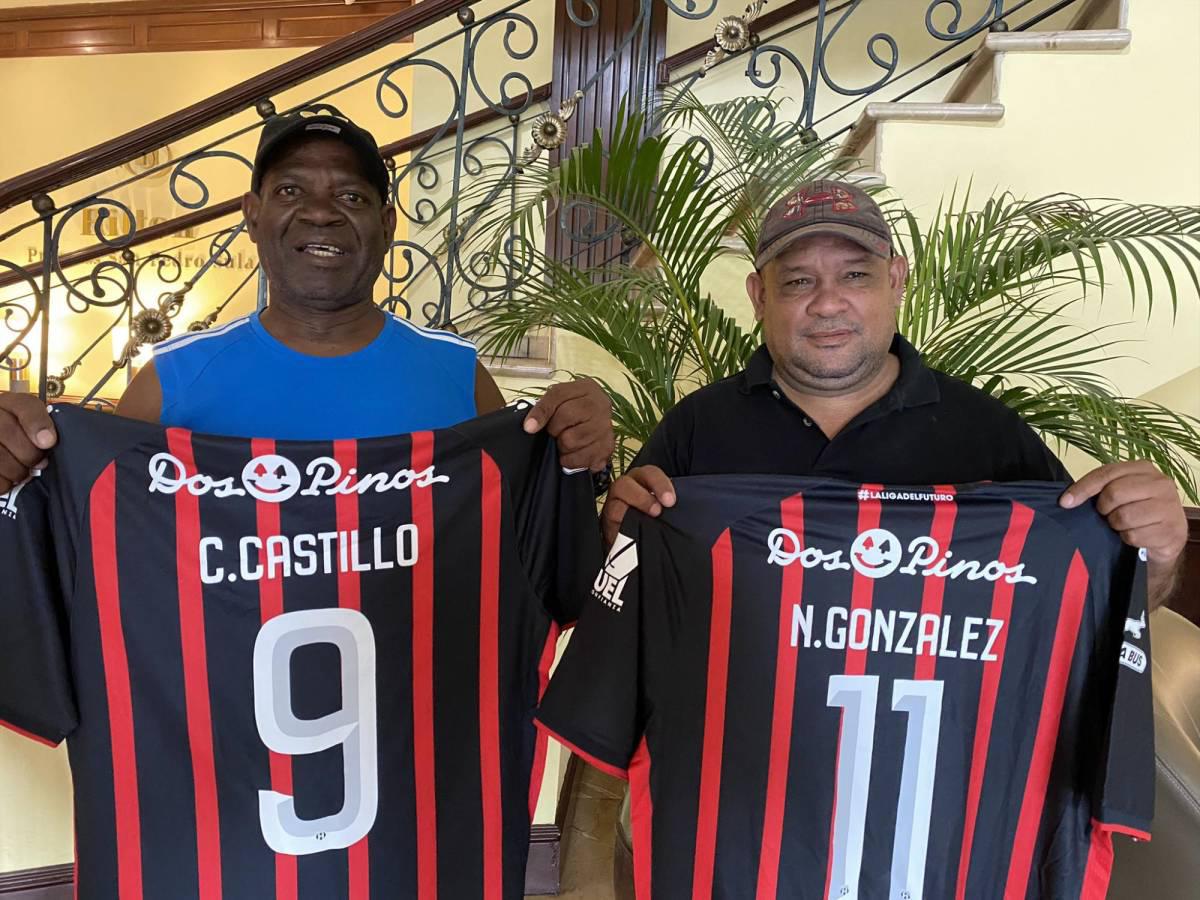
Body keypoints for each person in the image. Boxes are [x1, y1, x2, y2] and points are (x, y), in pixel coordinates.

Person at [601, 178, 1187, 607]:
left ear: (897, 280)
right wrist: (615, 538)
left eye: (855, 275)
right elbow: (618, 591)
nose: (827, 302)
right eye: (798, 281)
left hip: (939, 771)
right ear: (758, 297)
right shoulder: (695, 429)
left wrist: (1156, 556)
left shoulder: (988, 436)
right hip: (734, 768)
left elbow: (1092, 599)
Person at [0, 109, 614, 475]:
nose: (321, 214)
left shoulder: (457, 373)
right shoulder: (172, 380)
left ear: (388, 223)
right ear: (251, 213)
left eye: (351, 197)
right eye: (290, 191)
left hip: (413, 691)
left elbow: (518, 542)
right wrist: (21, 468)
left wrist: (577, 456)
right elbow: (91, 542)